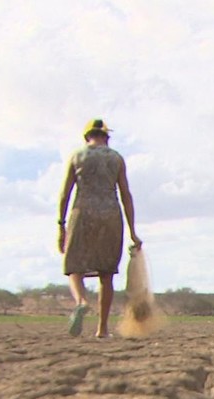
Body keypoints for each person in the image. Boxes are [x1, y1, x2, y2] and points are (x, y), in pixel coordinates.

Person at [57, 119, 141, 337]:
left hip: (82, 212)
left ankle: (81, 301)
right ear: (106, 137)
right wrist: (132, 231)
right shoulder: (116, 158)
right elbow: (126, 195)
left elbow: (65, 193)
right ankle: (102, 330)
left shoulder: (77, 156)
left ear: (87, 137)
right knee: (106, 273)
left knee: (74, 266)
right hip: (111, 215)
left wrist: (61, 224)